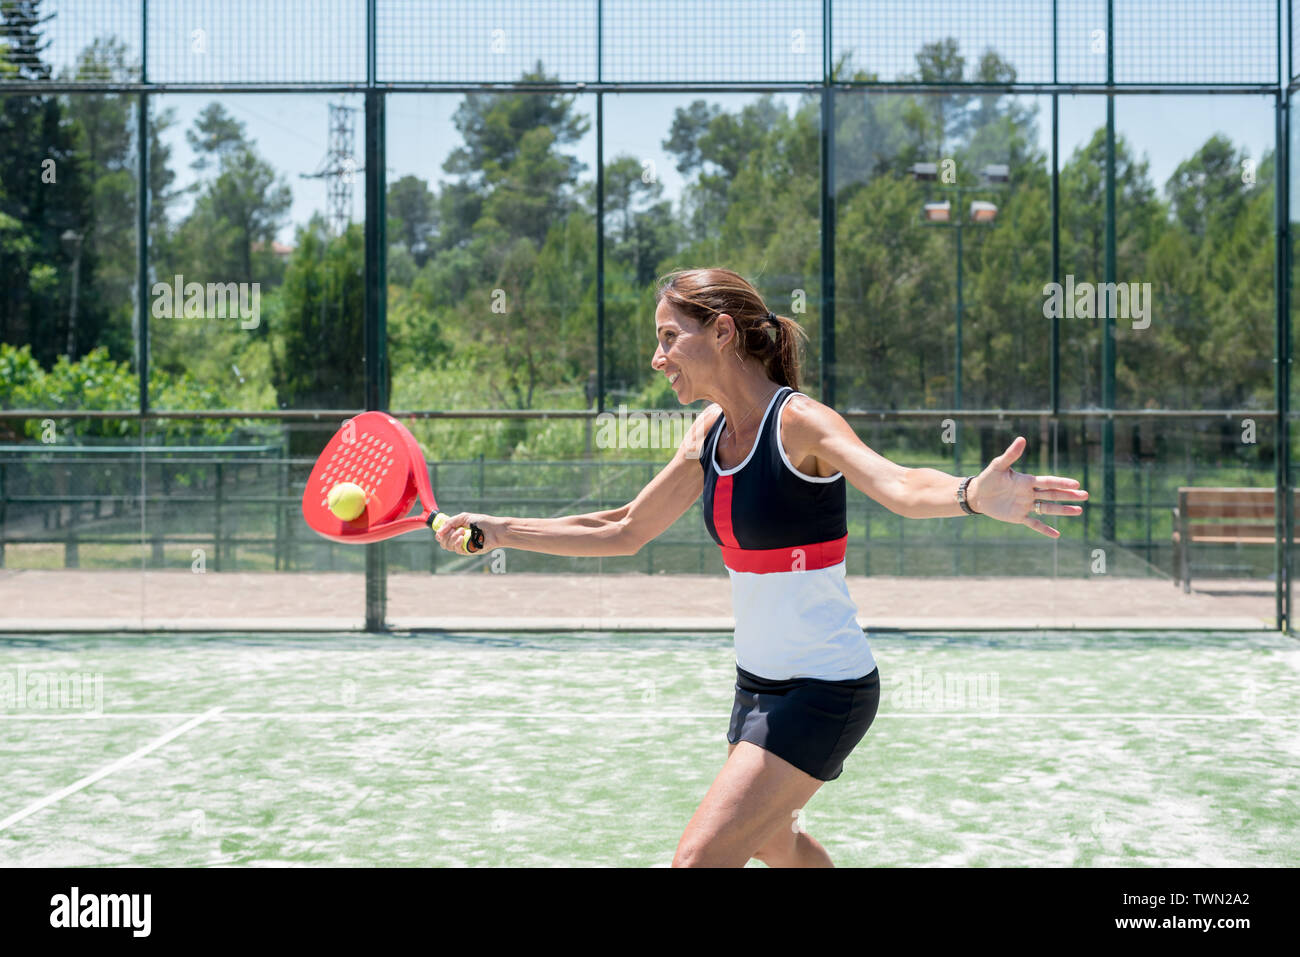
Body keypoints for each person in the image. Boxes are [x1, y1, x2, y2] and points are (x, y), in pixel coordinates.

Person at [435, 266, 1089, 867]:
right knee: (783, 847)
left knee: (696, 861)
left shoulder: (800, 423)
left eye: (669, 337)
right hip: (756, 689)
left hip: (825, 691)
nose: (656, 357)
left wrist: (971, 493)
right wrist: (501, 531)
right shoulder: (708, 434)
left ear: (721, 332)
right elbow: (627, 527)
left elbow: (898, 486)